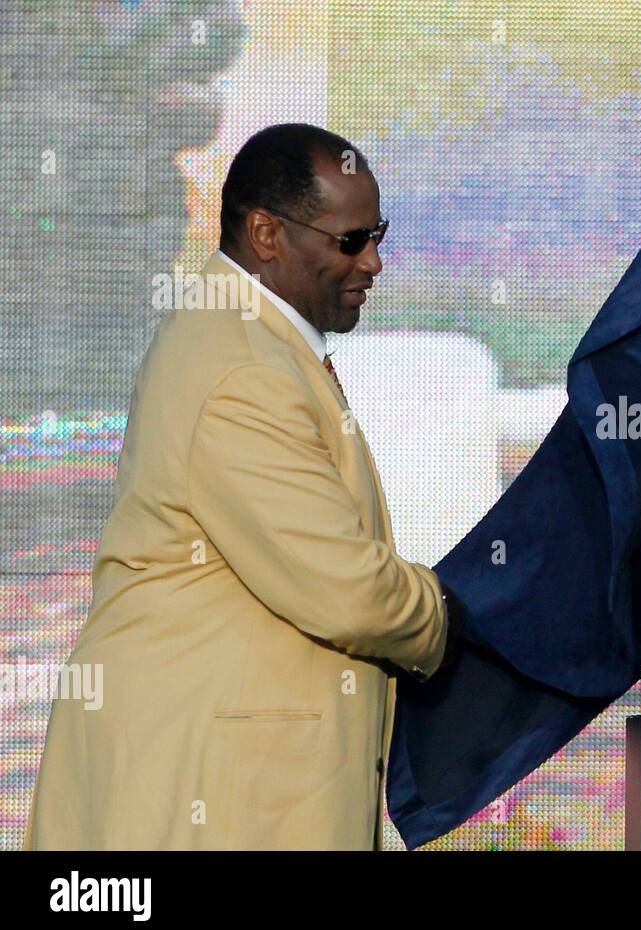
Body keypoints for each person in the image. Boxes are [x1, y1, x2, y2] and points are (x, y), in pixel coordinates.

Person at [26, 123, 450, 850]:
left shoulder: (247, 340)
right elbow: (347, 590)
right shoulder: (243, 368)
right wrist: (450, 612)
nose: (375, 261)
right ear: (265, 233)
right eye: (351, 240)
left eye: (378, 233)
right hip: (206, 797)